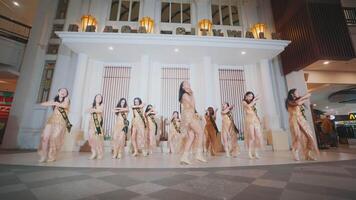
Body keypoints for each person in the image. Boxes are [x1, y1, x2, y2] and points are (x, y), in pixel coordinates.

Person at [38, 88, 72, 163]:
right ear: (58, 92)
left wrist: (55, 103)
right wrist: (53, 102)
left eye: (65, 91)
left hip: (60, 121)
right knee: (45, 138)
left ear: (66, 94)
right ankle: (43, 156)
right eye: (61, 91)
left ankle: (51, 156)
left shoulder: (66, 99)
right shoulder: (55, 100)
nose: (63, 92)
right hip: (51, 120)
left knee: (54, 138)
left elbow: (65, 105)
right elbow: (43, 104)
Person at [286, 88, 319, 161]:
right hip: (294, 119)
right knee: (297, 136)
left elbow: (309, 95)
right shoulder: (288, 101)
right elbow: (296, 103)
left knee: (309, 136)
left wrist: (302, 97)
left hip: (301, 119)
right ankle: (295, 152)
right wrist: (302, 98)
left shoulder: (299, 99)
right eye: (296, 92)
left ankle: (308, 154)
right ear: (292, 94)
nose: (298, 93)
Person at [179, 81, 207, 164]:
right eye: (186, 84)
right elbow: (193, 105)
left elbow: (193, 108)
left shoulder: (186, 95)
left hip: (189, 116)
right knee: (200, 132)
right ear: (183, 87)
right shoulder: (185, 95)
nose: (189, 84)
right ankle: (199, 154)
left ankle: (184, 157)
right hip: (189, 117)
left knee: (191, 137)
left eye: (189, 83)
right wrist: (192, 94)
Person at [243, 91, 263, 159]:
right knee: (252, 137)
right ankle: (249, 152)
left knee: (258, 136)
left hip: (255, 120)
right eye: (250, 96)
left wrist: (259, 119)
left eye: (252, 96)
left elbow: (255, 112)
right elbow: (248, 106)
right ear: (246, 96)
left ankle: (256, 152)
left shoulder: (253, 103)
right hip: (249, 120)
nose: (251, 97)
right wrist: (255, 100)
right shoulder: (244, 102)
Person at [87, 94, 104, 160]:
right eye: (97, 97)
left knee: (98, 139)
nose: (99, 98)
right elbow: (87, 110)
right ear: (95, 98)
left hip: (98, 125)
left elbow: (100, 110)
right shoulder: (92, 104)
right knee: (91, 139)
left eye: (100, 97)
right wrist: (92, 109)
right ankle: (93, 153)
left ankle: (100, 153)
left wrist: (93, 110)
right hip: (91, 124)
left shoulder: (102, 105)